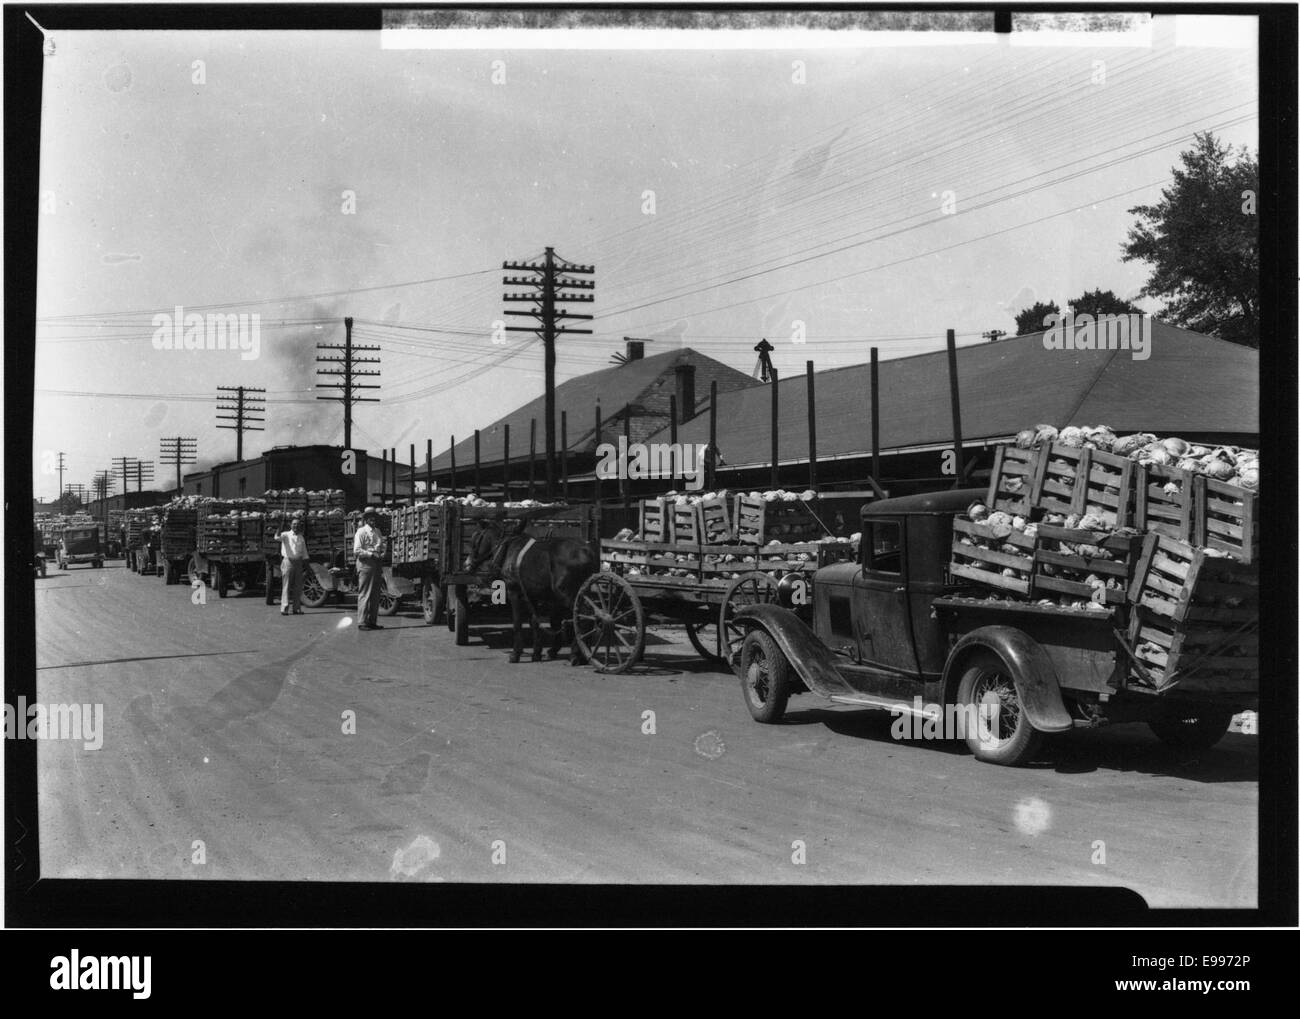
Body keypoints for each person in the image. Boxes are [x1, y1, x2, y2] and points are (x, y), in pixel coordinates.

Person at [353, 508, 387, 630]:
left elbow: (382, 547)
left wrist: (382, 554)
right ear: (366, 519)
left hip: (377, 564)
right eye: (370, 517)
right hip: (366, 564)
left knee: (375, 594)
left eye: (374, 517)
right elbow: (357, 550)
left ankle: (372, 621)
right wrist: (370, 554)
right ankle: (362, 622)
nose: (373, 519)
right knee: (365, 593)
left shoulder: (378, 531)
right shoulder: (361, 532)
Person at [278, 514, 310, 615]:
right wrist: (280, 526)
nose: (296, 526)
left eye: (297, 524)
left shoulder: (301, 537)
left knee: (298, 586)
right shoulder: (285, 534)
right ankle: (284, 608)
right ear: (290, 525)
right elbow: (276, 537)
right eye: (294, 524)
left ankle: (296, 608)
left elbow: (304, 552)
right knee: (286, 585)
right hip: (288, 562)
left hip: (298, 563)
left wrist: (307, 565)